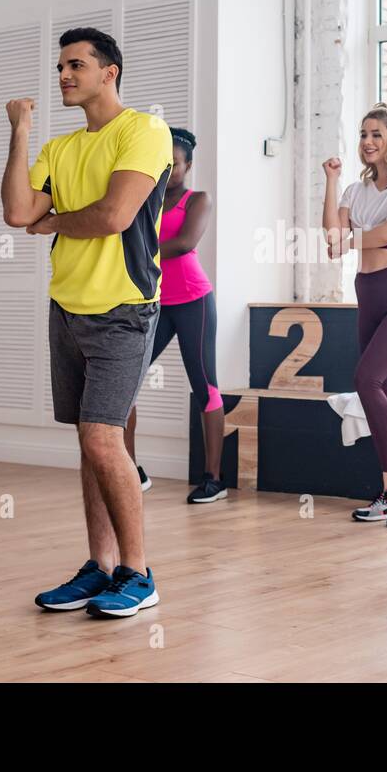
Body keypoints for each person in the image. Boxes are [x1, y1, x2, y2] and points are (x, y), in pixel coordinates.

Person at [1, 27, 173, 618]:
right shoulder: (59, 148)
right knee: (90, 442)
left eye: (76, 65)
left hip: (124, 310)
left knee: (103, 438)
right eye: (60, 68)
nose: (64, 76)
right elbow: (17, 210)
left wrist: (54, 224)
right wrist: (21, 131)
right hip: (67, 309)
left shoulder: (146, 131)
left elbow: (113, 215)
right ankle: (100, 567)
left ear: (110, 72)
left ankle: (138, 572)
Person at [322, 102, 387, 527]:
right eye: (363, 134)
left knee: (366, 379)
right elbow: (331, 235)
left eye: (376, 135)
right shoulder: (353, 191)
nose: (367, 142)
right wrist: (330, 181)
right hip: (367, 292)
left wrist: (346, 242)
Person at [124, 127, 227, 504]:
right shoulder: (145, 199)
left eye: (176, 163)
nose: (169, 169)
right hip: (154, 302)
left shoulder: (198, 199)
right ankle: (130, 470)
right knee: (126, 381)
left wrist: (137, 254)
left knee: (205, 386)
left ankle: (214, 479)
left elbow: (184, 243)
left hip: (193, 301)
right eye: (163, 162)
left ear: (189, 165)